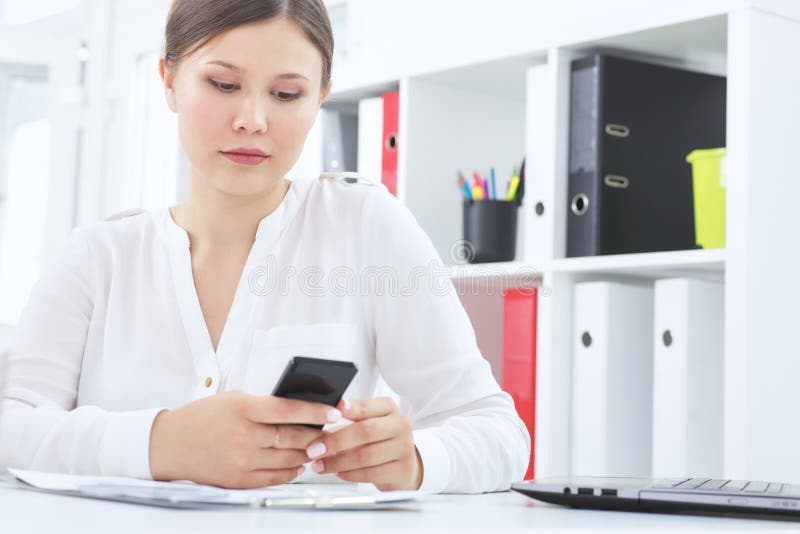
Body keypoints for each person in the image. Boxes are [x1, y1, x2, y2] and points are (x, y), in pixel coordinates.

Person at [0, 0, 529, 494]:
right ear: (169, 80)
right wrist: (160, 443)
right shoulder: (98, 258)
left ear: (320, 97)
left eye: (286, 95)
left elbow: (500, 434)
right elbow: (11, 428)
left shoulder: (365, 225)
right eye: (224, 84)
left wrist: (415, 459)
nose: (252, 119)